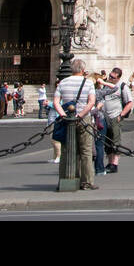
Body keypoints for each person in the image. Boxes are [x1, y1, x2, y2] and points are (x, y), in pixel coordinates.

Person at [53, 58, 98, 189]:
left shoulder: (63, 82)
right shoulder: (88, 83)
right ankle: (87, 182)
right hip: (83, 119)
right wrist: (80, 114)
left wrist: (63, 115)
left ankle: (64, 179)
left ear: (72, 69)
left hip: (67, 120)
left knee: (66, 150)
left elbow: (56, 102)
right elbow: (91, 102)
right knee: (86, 151)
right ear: (83, 70)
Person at [96, 67, 134, 174]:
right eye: (110, 76)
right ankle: (109, 163)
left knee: (116, 140)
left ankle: (115, 164)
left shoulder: (122, 87)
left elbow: (130, 102)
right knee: (107, 140)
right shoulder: (106, 85)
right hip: (104, 117)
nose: (110, 78)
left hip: (115, 116)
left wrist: (121, 115)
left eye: (113, 77)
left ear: (118, 78)